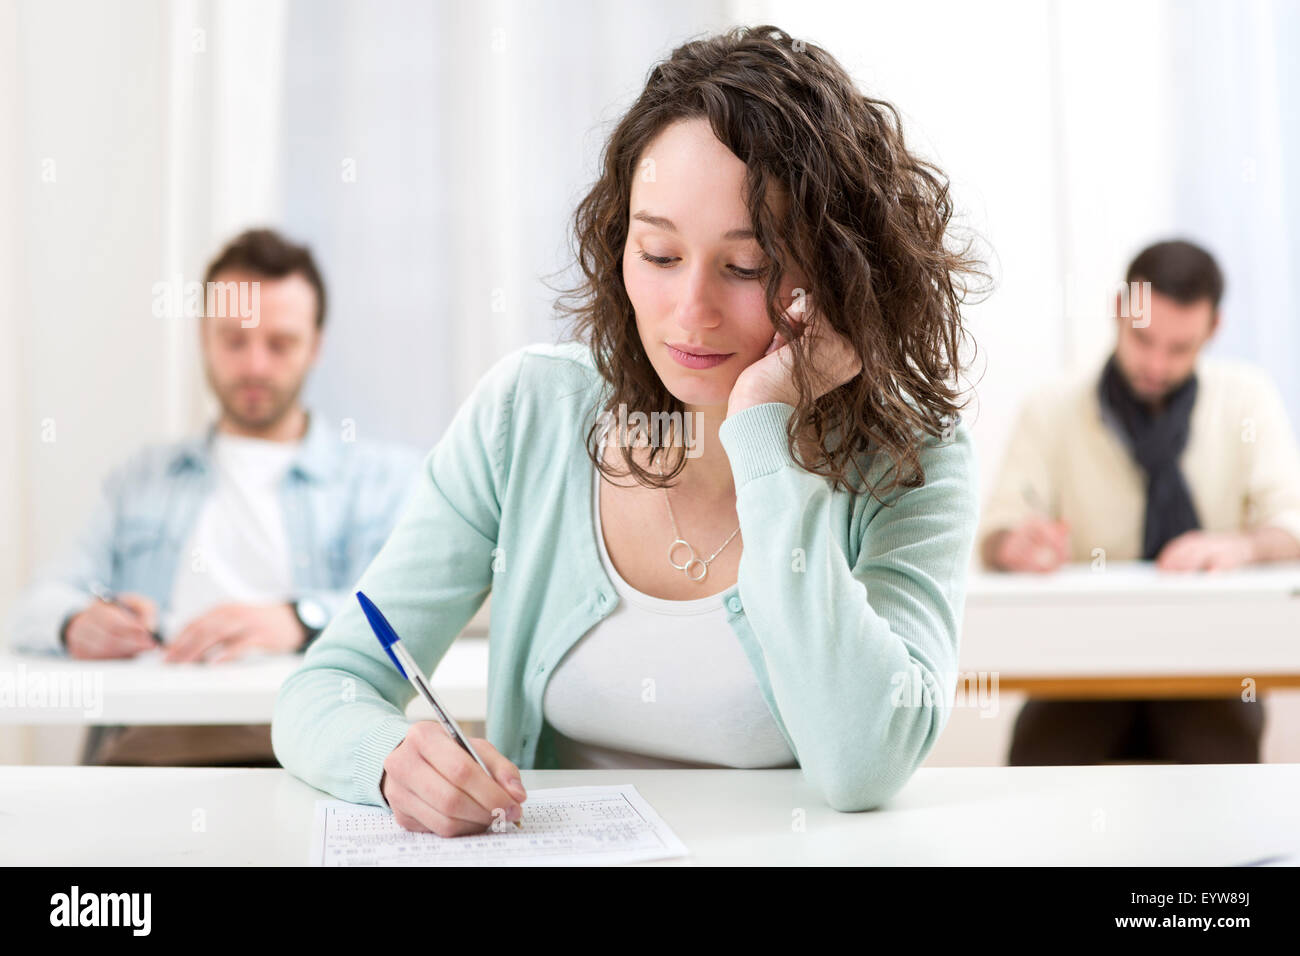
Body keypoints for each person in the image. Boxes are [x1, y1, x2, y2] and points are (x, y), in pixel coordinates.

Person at [272, 24, 983, 834]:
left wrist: (762, 427)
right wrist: (390, 758)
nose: (691, 314)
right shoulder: (528, 415)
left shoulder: (912, 459)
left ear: (838, 267)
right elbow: (324, 685)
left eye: (746, 267)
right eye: (658, 254)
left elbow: (863, 760)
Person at [9, 228, 422, 765]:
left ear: (315, 346)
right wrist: (73, 623)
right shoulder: (142, 479)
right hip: (154, 745)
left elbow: (411, 610)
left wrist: (301, 619)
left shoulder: (382, 480)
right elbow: (35, 604)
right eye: (234, 340)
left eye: (280, 343)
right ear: (204, 338)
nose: (254, 366)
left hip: (324, 746)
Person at [979, 238, 1300, 765]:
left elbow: (1290, 523)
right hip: (1079, 664)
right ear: (1119, 311)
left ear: (1212, 331)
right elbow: (996, 529)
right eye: (1143, 338)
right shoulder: (1052, 408)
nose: (1156, 364)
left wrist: (1242, 547)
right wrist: (1013, 544)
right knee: (1039, 768)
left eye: (1179, 348)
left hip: (1212, 663)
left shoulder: (1247, 398)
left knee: (1216, 779)